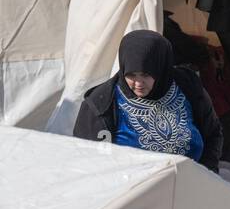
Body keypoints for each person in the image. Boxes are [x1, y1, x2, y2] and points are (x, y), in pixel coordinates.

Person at [73, 29, 222, 171]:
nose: (138, 83)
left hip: (190, 186)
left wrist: (208, 173)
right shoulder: (101, 104)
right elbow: (88, 161)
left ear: (160, 68)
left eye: (145, 75)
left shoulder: (188, 87)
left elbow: (213, 134)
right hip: (132, 192)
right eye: (131, 75)